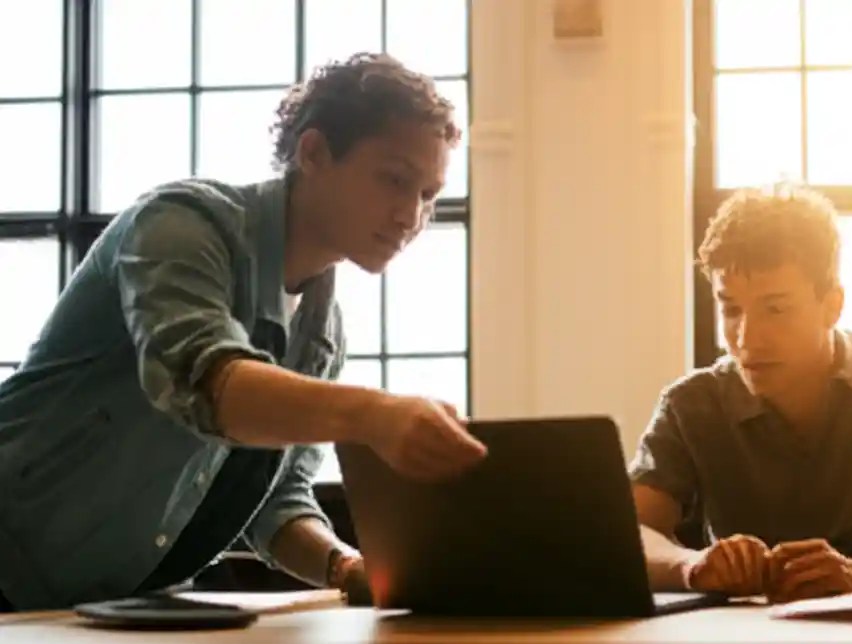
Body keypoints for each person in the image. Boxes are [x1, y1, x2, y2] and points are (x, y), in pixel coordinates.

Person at [0, 53, 487, 613]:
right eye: (395, 179)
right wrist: (374, 415)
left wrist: (345, 566)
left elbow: (275, 501)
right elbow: (203, 378)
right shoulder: (181, 224)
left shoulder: (321, 334)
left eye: (428, 194)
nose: (411, 215)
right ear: (313, 153)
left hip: (99, 617)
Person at [631, 182, 852, 603]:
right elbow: (629, 533)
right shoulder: (690, 405)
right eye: (731, 309)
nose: (747, 336)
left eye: (776, 308)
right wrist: (690, 566)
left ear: (833, 305)